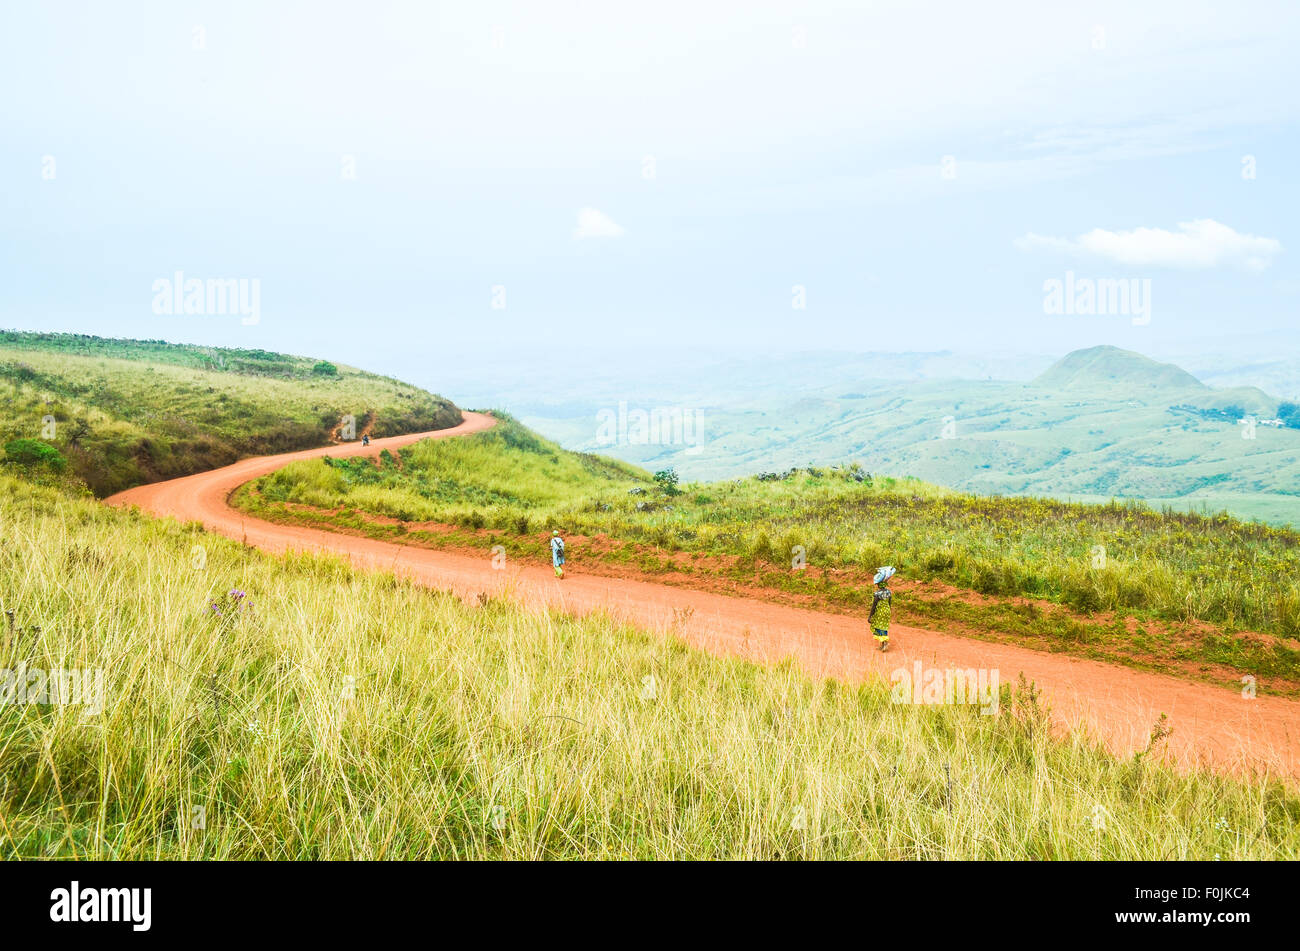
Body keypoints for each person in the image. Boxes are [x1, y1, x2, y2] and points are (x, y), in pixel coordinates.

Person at [868, 565, 895, 651]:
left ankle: (885, 643)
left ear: (878, 584)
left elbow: (874, 605)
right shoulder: (889, 592)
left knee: (879, 627)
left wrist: (870, 616)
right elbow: (889, 603)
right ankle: (883, 645)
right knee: (884, 627)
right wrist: (888, 611)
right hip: (887, 611)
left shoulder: (877, 594)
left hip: (880, 612)